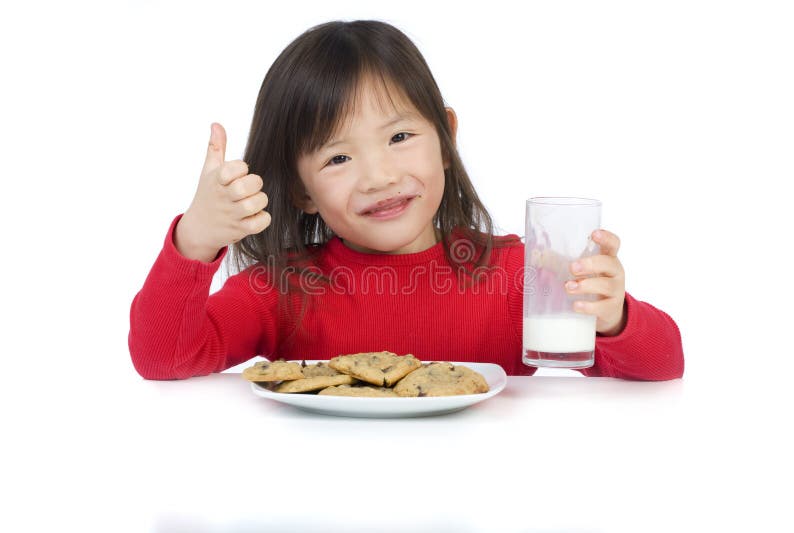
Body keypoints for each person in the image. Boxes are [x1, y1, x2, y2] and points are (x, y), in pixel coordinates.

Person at [128, 20, 684, 381]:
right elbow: (163, 357)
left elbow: (664, 364)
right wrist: (195, 239)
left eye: (399, 136)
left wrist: (612, 317)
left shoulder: (517, 277)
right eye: (338, 158)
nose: (379, 176)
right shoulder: (282, 289)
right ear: (300, 191)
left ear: (446, 141)